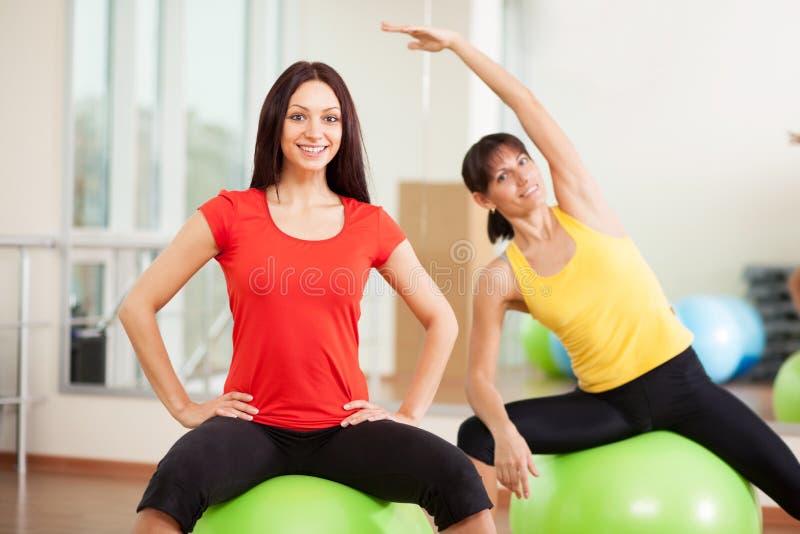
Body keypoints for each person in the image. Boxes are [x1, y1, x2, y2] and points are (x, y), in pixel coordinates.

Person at [382, 22, 800, 521]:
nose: (522, 177)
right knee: (477, 432)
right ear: (482, 198)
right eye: (502, 175)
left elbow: (528, 106)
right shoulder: (501, 277)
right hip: (609, 407)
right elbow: (478, 380)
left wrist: (458, 45)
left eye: (522, 161)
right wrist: (508, 434)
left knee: (794, 486)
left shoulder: (582, 206)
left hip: (684, 386)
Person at [119, 61, 495, 533]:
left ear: (345, 129)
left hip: (344, 430)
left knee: (460, 480)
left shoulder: (369, 223)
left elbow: (442, 318)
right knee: (168, 492)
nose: (314, 131)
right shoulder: (230, 213)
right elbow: (137, 306)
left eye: (330, 118)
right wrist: (183, 407)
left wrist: (409, 414)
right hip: (252, 426)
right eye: (298, 116)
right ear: (275, 123)